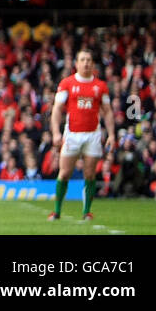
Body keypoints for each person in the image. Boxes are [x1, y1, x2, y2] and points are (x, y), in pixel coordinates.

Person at [48, 48, 115, 221]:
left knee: (90, 174)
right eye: (82, 59)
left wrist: (112, 134)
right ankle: (57, 211)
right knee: (64, 173)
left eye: (89, 60)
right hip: (72, 134)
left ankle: (87, 212)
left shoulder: (100, 86)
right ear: (76, 63)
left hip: (92, 134)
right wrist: (55, 132)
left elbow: (107, 111)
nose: (86, 63)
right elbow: (56, 109)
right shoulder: (67, 84)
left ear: (93, 64)